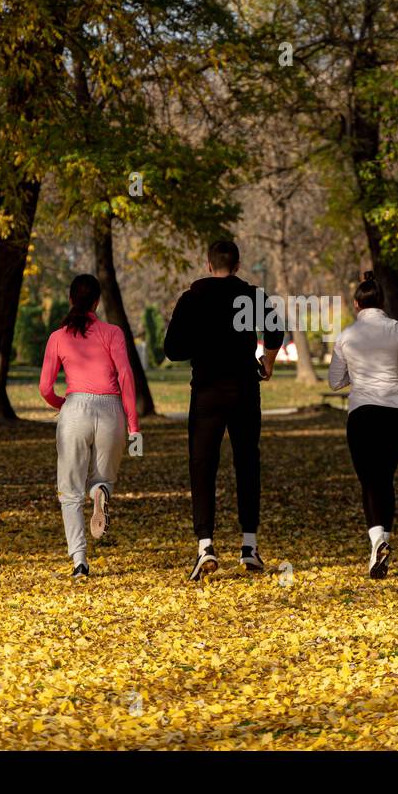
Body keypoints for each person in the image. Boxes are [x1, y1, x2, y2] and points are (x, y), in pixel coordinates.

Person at [164, 240, 285, 581]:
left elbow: (172, 349)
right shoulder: (251, 295)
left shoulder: (192, 298)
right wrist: (268, 361)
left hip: (206, 391)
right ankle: (249, 546)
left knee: (202, 466)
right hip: (244, 389)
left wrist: (201, 343)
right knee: (247, 461)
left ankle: (205, 546)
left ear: (207, 264)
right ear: (237, 264)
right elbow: (276, 329)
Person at [39, 274, 139, 579]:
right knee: (103, 478)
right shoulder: (113, 333)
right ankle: (100, 495)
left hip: (75, 409)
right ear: (97, 302)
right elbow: (125, 377)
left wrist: (63, 405)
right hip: (110, 410)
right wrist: (133, 426)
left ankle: (80, 562)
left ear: (71, 299)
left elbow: (45, 388)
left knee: (70, 491)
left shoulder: (58, 337)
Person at [328, 271, 398, 578]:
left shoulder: (346, 336)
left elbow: (334, 382)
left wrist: (352, 377)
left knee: (370, 480)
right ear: (381, 302)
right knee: (385, 477)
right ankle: (382, 545)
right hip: (397, 413)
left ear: (357, 305)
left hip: (363, 414)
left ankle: (377, 541)